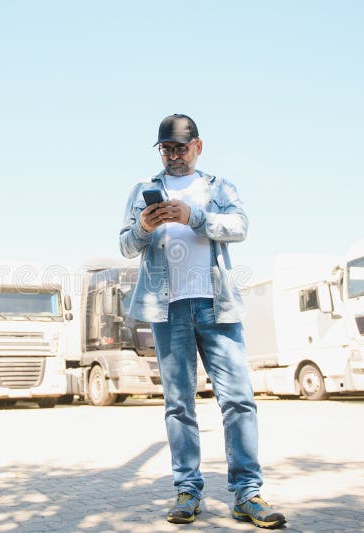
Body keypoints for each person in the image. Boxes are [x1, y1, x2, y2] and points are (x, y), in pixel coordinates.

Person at [119, 114, 286, 528]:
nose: (174, 156)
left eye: (181, 147)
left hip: (216, 303)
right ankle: (187, 491)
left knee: (238, 400)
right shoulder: (142, 191)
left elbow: (239, 226)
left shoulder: (219, 187)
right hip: (168, 307)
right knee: (179, 405)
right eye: (166, 149)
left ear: (198, 146)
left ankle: (248, 494)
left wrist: (192, 215)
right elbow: (125, 245)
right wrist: (143, 225)